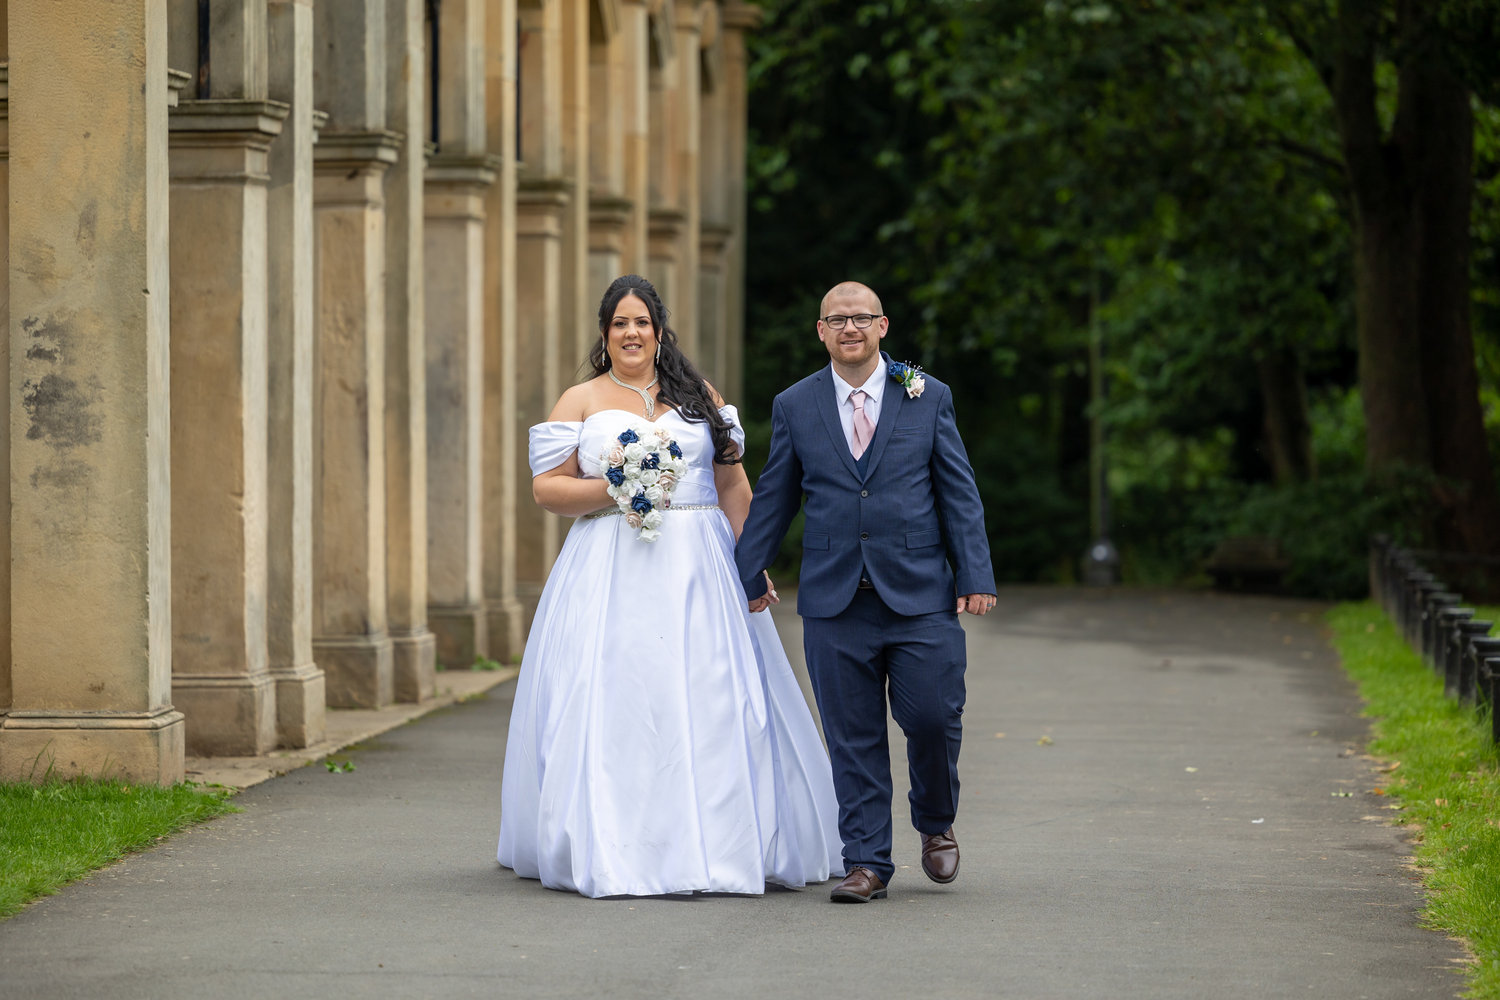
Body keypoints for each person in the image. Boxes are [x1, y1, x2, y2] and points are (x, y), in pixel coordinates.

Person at [497, 274, 844, 898]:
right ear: (605, 334)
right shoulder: (579, 399)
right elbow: (548, 489)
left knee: (710, 690)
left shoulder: (698, 396)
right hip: (611, 561)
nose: (632, 333)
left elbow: (734, 485)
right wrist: (616, 490)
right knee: (624, 693)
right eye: (620, 323)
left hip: (700, 562)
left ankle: (719, 837)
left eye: (643, 323)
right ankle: (621, 837)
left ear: (659, 331)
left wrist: (752, 556)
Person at [734, 280, 997, 903]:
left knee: (934, 718)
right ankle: (867, 862)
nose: (849, 328)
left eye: (861, 318)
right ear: (820, 332)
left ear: (883, 326)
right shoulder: (796, 404)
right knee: (852, 737)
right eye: (836, 320)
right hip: (834, 598)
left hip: (921, 595)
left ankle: (935, 822)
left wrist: (975, 574)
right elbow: (775, 495)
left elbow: (958, 491)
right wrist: (747, 569)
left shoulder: (928, 396)